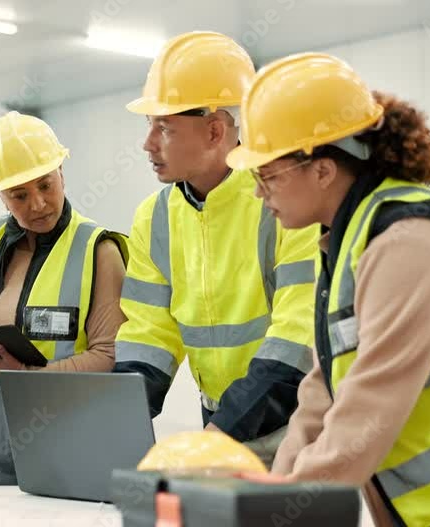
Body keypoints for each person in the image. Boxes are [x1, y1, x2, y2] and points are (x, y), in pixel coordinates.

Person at [227, 52, 430, 527]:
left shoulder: (411, 242)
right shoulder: (349, 242)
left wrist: (282, 509)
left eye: (267, 175)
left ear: (322, 169)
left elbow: (370, 409)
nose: (258, 193)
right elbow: (322, 395)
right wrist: (279, 489)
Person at [112, 31, 317, 465]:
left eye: (163, 127)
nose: (147, 144)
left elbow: (298, 335)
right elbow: (149, 334)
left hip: (299, 421)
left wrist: (222, 431)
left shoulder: (285, 200)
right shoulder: (156, 216)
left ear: (214, 130)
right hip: (223, 416)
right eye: (148, 126)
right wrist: (115, 424)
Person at [0, 111, 129, 485]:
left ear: (62, 175)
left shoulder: (97, 250)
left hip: (61, 425)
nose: (37, 204)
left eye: (46, 185)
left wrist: (24, 377)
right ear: (1, 197)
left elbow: (109, 355)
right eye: (19, 195)